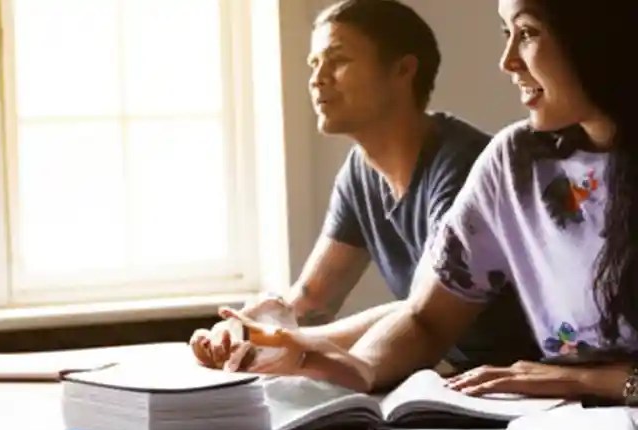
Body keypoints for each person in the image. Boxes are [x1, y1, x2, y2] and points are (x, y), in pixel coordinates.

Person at [227, 0, 638, 404]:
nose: (507, 61)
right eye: (505, 33)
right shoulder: (515, 161)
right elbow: (425, 319)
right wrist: (355, 367)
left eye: (527, 33)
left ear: (595, 35)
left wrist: (588, 381)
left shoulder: (455, 158)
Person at [191, 0, 538, 374]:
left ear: (403, 70)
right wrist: (250, 328)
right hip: (454, 378)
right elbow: (312, 301)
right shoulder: (360, 171)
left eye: (337, 61)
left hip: (521, 384)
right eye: (314, 64)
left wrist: (289, 343)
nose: (318, 78)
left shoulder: (464, 165)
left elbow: (423, 311)